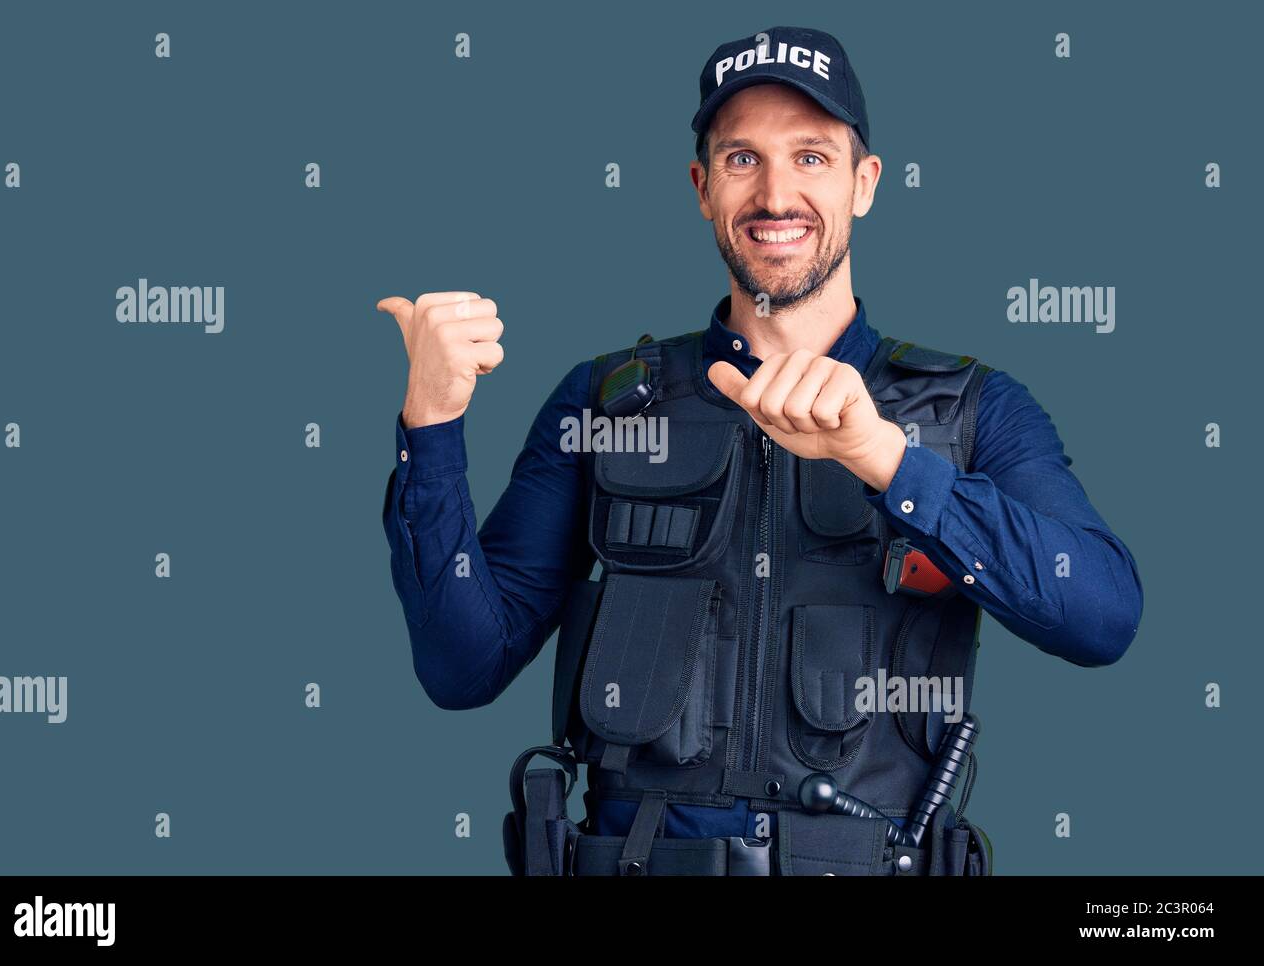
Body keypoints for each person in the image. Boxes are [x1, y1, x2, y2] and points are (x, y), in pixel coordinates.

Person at [378, 25, 1143, 876]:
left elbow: (1103, 615)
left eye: (812, 156)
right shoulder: (605, 399)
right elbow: (463, 665)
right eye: (743, 159)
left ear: (866, 183)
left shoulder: (973, 409)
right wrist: (433, 427)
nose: (777, 195)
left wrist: (891, 464)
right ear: (702, 187)